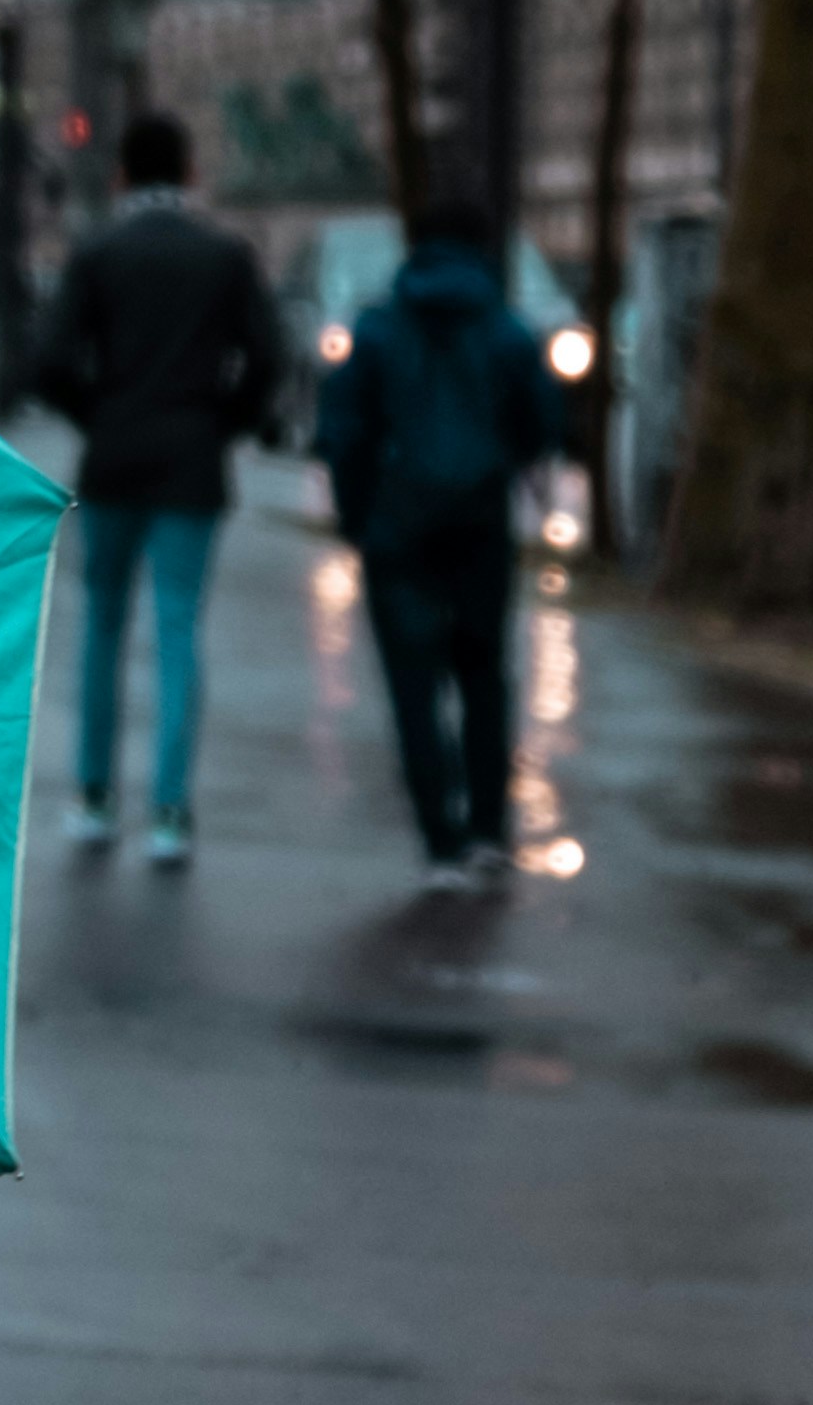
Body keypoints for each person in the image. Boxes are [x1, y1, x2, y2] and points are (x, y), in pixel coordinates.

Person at [31, 103, 286, 865]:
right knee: (177, 631)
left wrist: (98, 414)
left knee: (102, 630)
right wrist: (219, 425)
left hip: (111, 462)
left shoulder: (96, 253)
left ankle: (94, 797)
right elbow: (270, 362)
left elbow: (47, 362)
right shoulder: (225, 256)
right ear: (191, 174)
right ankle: (170, 811)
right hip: (190, 467)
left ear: (120, 176)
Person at [320, 195, 564, 882]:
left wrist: (355, 515)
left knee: (412, 684)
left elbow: (343, 431)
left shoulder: (379, 328)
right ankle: (488, 827)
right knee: (484, 675)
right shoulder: (505, 328)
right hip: (481, 520)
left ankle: (440, 837)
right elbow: (542, 417)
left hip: (397, 525)